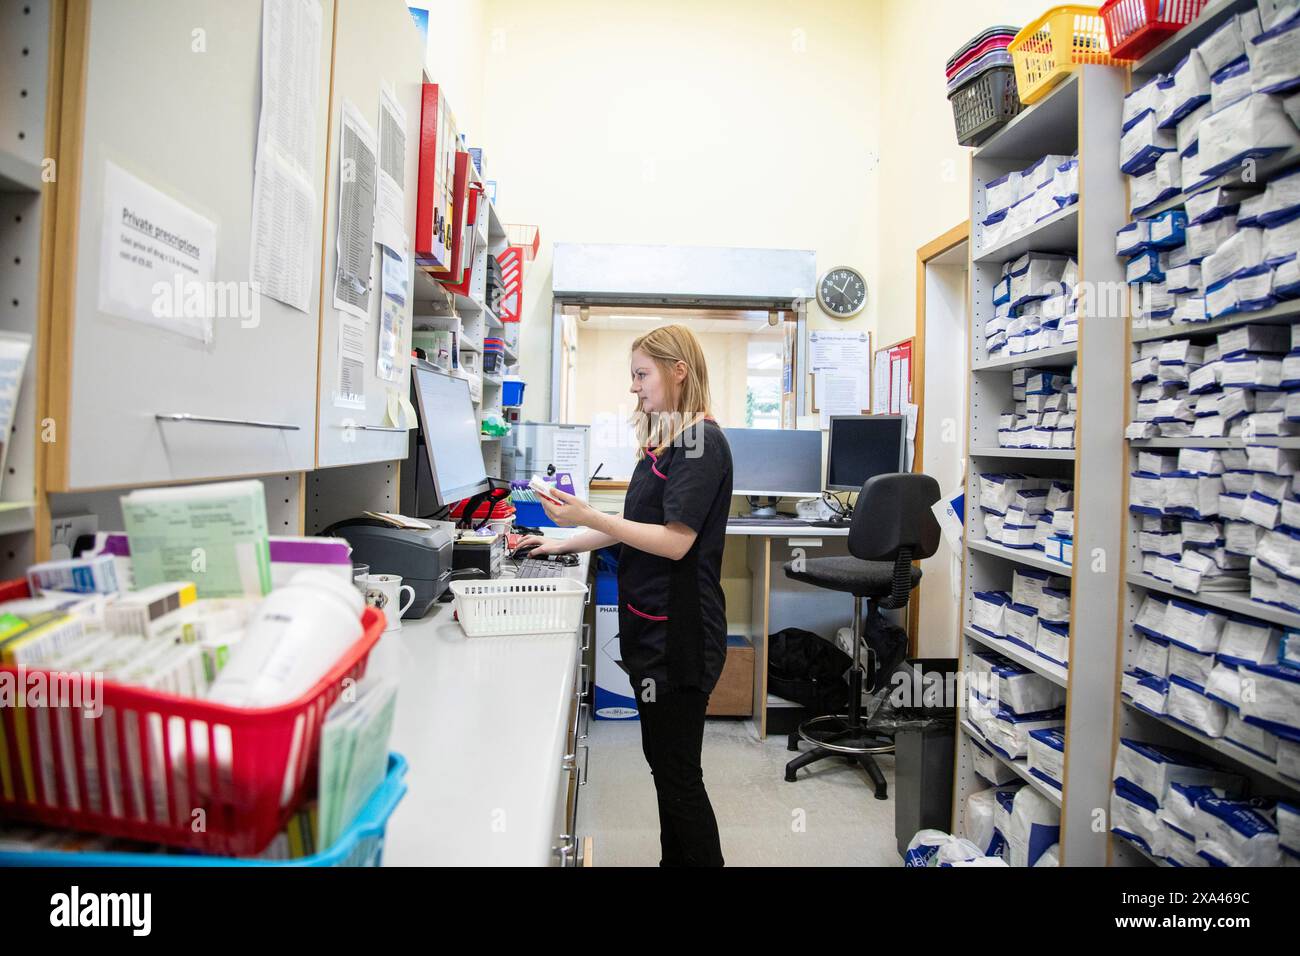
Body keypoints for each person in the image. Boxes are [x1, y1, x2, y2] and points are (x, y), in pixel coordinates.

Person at [517, 324, 732, 867]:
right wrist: (556, 540)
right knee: (664, 768)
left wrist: (587, 513)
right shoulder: (665, 441)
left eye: (642, 375)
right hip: (651, 630)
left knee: (679, 777)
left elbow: (676, 543)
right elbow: (628, 525)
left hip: (680, 638)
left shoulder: (701, 443)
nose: (635, 387)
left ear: (677, 371)